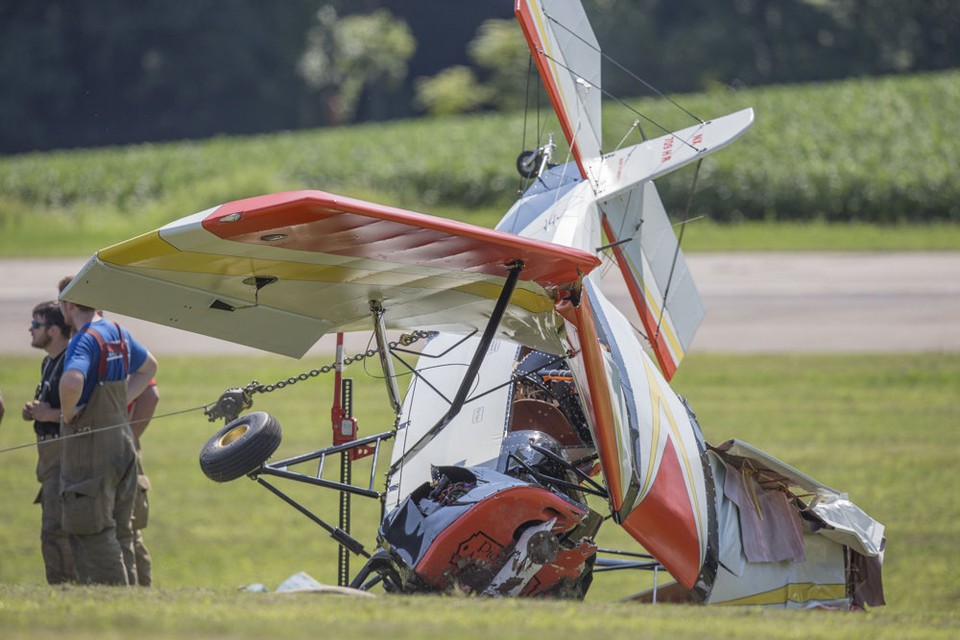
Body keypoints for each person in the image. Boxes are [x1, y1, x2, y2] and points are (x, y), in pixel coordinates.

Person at [57, 276, 158, 585]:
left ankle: (114, 597)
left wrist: (69, 411)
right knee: (124, 530)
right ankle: (134, 597)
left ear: (69, 304)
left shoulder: (84, 338)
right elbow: (149, 367)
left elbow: (73, 380)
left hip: (94, 449)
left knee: (95, 529)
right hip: (123, 443)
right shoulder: (116, 331)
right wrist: (122, 401)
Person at [20, 302, 78, 584]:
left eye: (36, 325)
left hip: (63, 451)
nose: (30, 330)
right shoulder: (49, 361)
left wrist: (49, 415)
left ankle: (66, 587)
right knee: (51, 525)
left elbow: (85, 411)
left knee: (57, 528)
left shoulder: (72, 359)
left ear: (53, 330)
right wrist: (35, 411)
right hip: (47, 454)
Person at [127, 380, 159, 586]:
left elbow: (151, 393)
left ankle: (138, 591)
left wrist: (128, 434)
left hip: (118, 442)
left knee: (128, 529)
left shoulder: (110, 346)